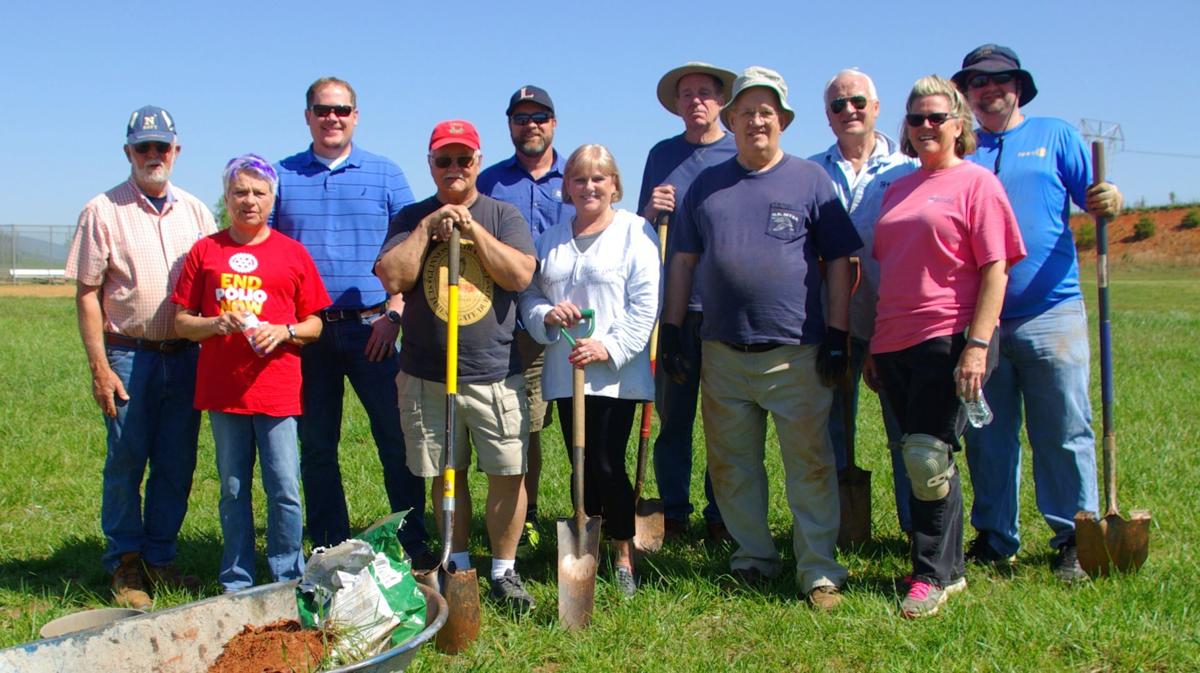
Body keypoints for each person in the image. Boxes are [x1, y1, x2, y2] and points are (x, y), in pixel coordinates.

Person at [661, 66, 860, 610]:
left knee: (810, 464)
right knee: (732, 465)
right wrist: (674, 329)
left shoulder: (811, 181)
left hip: (796, 352)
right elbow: (682, 261)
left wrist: (839, 333)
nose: (756, 121)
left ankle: (819, 570)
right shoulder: (707, 186)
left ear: (783, 121)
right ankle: (753, 557)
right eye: (746, 112)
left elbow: (839, 261)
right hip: (723, 352)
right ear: (731, 120)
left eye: (766, 112)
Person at [950, 44, 1124, 581]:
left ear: (1018, 87)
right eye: (976, 81)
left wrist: (1110, 198)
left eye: (999, 79)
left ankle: (1074, 534)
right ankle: (995, 536)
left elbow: (1095, 196)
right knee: (986, 433)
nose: (988, 88)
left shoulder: (1055, 136)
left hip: (1052, 310)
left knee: (1065, 428)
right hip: (983, 321)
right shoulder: (962, 150)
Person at [865, 75, 1025, 618]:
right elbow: (893, 271)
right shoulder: (897, 189)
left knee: (926, 454)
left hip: (951, 337)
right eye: (916, 119)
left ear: (960, 124)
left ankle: (929, 576)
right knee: (923, 457)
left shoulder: (978, 184)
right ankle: (949, 569)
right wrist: (874, 346)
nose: (926, 126)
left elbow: (996, 269)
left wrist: (978, 345)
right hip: (894, 342)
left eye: (937, 117)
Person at [375, 120, 537, 613]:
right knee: (449, 473)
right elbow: (394, 276)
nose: (454, 169)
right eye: (443, 160)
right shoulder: (411, 216)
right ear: (430, 165)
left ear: (478, 163)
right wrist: (427, 229)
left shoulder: (502, 214)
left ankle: (504, 571)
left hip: (494, 370)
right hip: (429, 373)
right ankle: (457, 563)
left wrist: (471, 230)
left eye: (463, 159)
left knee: (508, 473)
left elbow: (520, 273)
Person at [271, 76, 430, 563]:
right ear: (308, 116)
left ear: (356, 116)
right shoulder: (281, 176)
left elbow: (414, 250)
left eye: (342, 110)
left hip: (373, 330)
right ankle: (330, 544)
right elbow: (269, 254)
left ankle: (412, 539)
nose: (332, 118)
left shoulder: (385, 174)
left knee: (395, 437)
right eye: (322, 110)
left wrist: (395, 316)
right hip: (310, 333)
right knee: (318, 445)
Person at [65, 105, 216, 609]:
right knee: (127, 457)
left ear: (176, 151)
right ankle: (125, 562)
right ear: (128, 152)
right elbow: (88, 293)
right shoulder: (102, 211)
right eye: (143, 147)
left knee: (177, 461)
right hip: (129, 355)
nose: (154, 155)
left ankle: (160, 556)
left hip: (187, 355)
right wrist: (99, 367)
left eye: (162, 146)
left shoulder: (196, 212)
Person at [173, 155, 331, 592]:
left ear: (272, 199)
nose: (249, 200)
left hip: (277, 389)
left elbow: (315, 324)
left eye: (259, 193)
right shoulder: (206, 251)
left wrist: (284, 331)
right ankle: (237, 578)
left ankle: (287, 576)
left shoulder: (292, 253)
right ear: (226, 197)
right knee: (233, 487)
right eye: (240, 191)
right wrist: (214, 324)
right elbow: (181, 322)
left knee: (284, 486)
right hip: (224, 391)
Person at [520, 144, 660, 596]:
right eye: (580, 179)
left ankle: (623, 553)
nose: (589, 187)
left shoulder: (635, 233)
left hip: (616, 374)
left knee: (604, 461)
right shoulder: (552, 238)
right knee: (579, 465)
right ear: (568, 187)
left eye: (599, 178)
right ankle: (588, 544)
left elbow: (644, 305)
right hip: (567, 372)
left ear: (615, 185)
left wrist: (609, 346)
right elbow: (530, 297)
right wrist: (547, 314)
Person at [808, 68, 918, 537]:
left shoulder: (908, 172)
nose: (848, 110)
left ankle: (919, 530)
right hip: (830, 322)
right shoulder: (811, 173)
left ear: (876, 109)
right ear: (828, 118)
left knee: (906, 433)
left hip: (894, 322)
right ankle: (834, 526)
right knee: (828, 430)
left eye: (857, 102)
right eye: (838, 105)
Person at [637, 62, 738, 542]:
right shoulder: (661, 155)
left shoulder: (739, 150)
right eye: (687, 95)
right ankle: (674, 508)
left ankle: (722, 512)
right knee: (673, 416)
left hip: (724, 308)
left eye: (704, 93)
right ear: (677, 105)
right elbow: (638, 231)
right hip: (672, 309)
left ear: (721, 100)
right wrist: (649, 209)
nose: (696, 101)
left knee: (724, 416)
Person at [477, 85, 574, 549]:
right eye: (520, 118)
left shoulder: (577, 177)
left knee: (583, 419)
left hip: (574, 322)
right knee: (525, 426)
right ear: (510, 125)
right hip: (514, 324)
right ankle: (527, 515)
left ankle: (588, 512)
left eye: (539, 116)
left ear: (553, 123)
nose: (530, 125)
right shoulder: (491, 182)